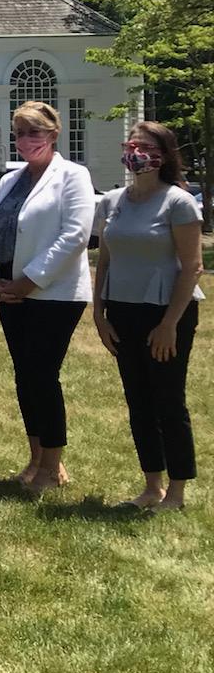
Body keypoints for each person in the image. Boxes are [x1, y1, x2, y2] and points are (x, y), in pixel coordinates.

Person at [0, 101, 95, 494]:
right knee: (25, 378)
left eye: (35, 132)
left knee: (43, 376)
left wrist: (29, 281)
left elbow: (76, 236)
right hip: (12, 293)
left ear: (54, 133)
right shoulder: (11, 180)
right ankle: (35, 459)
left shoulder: (73, 175)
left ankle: (52, 466)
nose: (26, 140)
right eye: (19, 133)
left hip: (55, 295)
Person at [94, 122, 203, 510]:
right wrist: (99, 313)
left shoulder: (179, 203)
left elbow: (192, 268)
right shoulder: (114, 201)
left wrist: (169, 324)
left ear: (163, 154)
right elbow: (104, 260)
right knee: (138, 400)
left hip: (166, 312)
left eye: (146, 145)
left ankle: (176, 491)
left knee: (168, 400)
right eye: (132, 143)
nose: (136, 151)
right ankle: (151, 485)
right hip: (123, 312)